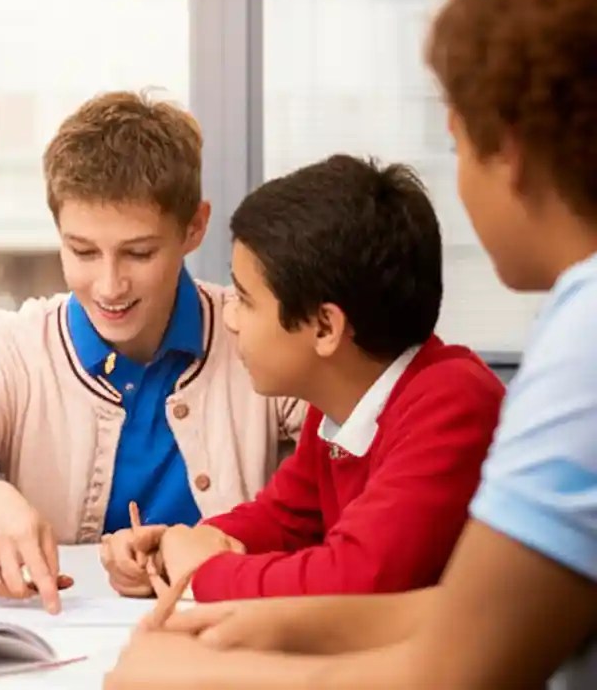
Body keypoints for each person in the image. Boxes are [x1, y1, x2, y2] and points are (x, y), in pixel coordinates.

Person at [104, 0, 597, 687]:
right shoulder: (339, 414)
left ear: (510, 154)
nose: (228, 315)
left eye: (457, 145)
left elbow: (413, 620)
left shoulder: (540, 360)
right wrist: (208, 547)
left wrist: (209, 604)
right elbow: (439, 606)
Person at [0, 90, 304, 612]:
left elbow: (346, 470)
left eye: (139, 253)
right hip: (65, 641)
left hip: (231, 628)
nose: (109, 285)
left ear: (194, 227)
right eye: (82, 251)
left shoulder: (252, 329)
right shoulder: (10, 346)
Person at [99, 155, 503, 601]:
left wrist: (205, 572)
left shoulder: (453, 403)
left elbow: (358, 577)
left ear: (326, 328)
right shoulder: (338, 405)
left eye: (246, 300)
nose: (229, 318)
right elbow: (283, 521)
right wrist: (172, 547)